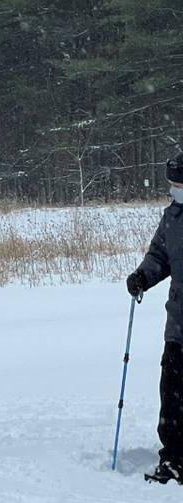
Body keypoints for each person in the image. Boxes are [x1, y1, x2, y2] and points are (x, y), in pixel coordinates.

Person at [127, 153, 183, 484]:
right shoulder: (172, 218)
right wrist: (142, 276)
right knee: (173, 395)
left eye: (181, 185)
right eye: (173, 185)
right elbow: (159, 256)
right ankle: (175, 459)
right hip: (178, 324)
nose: (176, 190)